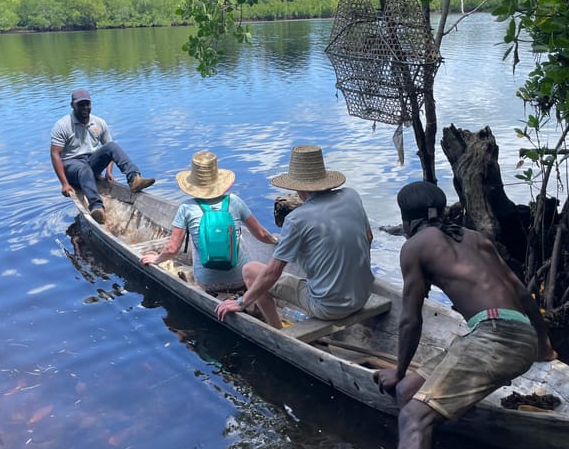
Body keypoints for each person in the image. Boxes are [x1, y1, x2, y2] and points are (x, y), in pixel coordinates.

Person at [374, 181, 557, 449]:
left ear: (407, 221)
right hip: (514, 331)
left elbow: (410, 320)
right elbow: (521, 292)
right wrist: (544, 345)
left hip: (494, 336)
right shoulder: (475, 238)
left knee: (411, 416)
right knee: (411, 391)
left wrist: (397, 368)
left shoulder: (414, 246)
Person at [215, 144, 374, 328]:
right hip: (362, 296)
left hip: (328, 308)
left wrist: (241, 302)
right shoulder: (351, 196)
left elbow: (273, 273)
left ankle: (278, 331)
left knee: (250, 271)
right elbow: (368, 237)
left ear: (299, 189)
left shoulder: (296, 219)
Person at [140, 150, 278, 291]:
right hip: (241, 278)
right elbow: (261, 234)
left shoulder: (186, 207)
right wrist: (274, 240)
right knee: (238, 233)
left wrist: (156, 260)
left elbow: (172, 249)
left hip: (207, 283)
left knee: (198, 235)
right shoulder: (235, 201)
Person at [50, 89, 155, 225]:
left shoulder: (99, 123)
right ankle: (97, 207)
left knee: (112, 146)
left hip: (90, 162)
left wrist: (108, 172)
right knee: (83, 168)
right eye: (81, 105)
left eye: (87, 104)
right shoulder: (62, 125)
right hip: (72, 166)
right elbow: (55, 154)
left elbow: (108, 148)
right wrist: (64, 183)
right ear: (72, 105)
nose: (85, 108)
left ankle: (134, 179)